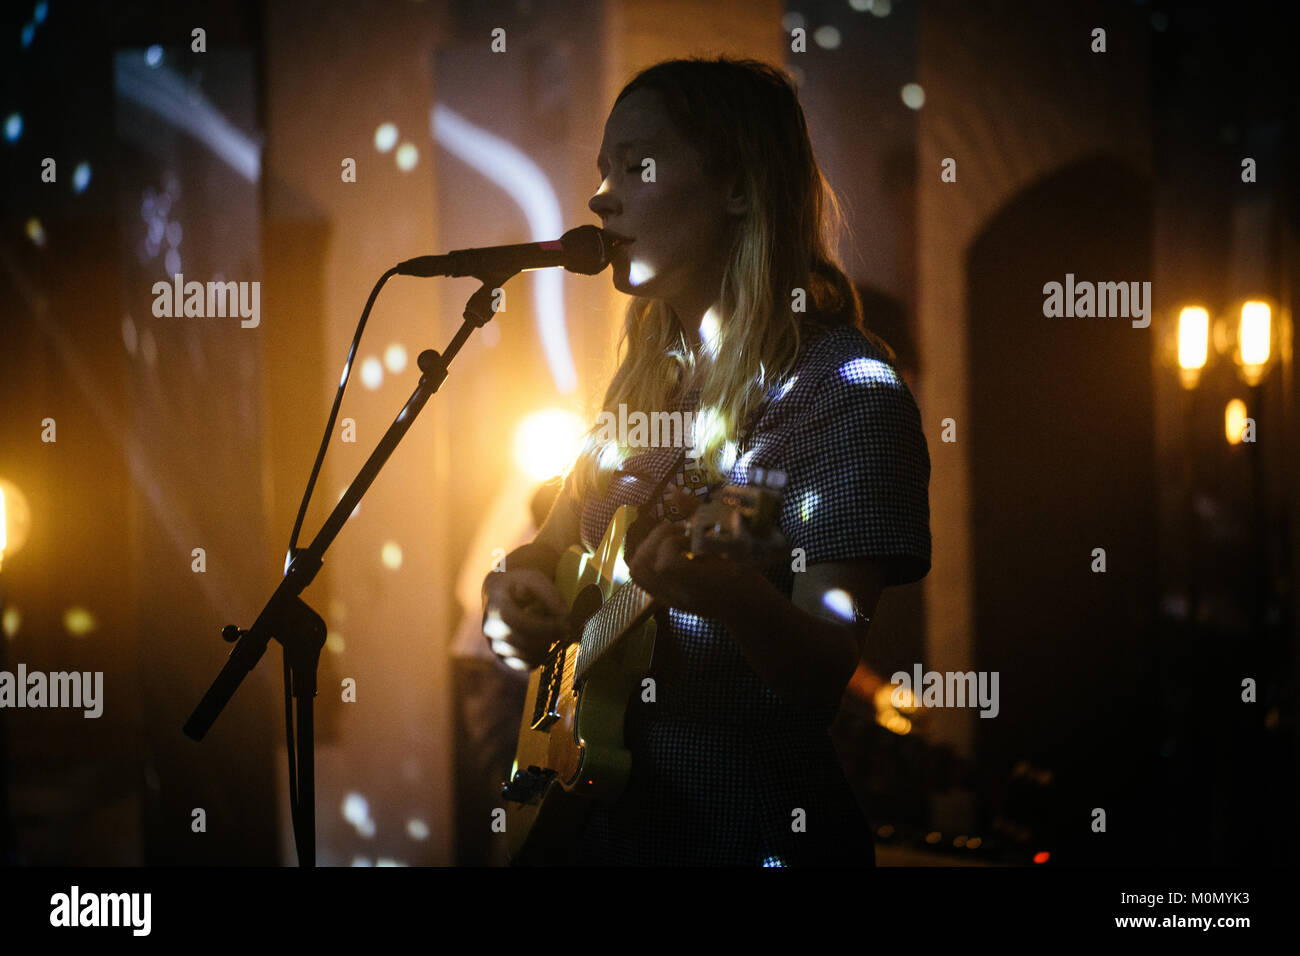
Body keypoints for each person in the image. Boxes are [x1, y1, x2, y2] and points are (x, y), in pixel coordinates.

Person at [481, 56, 931, 866]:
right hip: (603, 832)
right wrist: (507, 594)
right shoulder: (647, 377)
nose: (601, 197)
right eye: (602, 170)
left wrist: (729, 593)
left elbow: (821, 675)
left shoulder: (844, 391)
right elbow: (547, 548)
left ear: (740, 187)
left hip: (745, 833)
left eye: (637, 166)